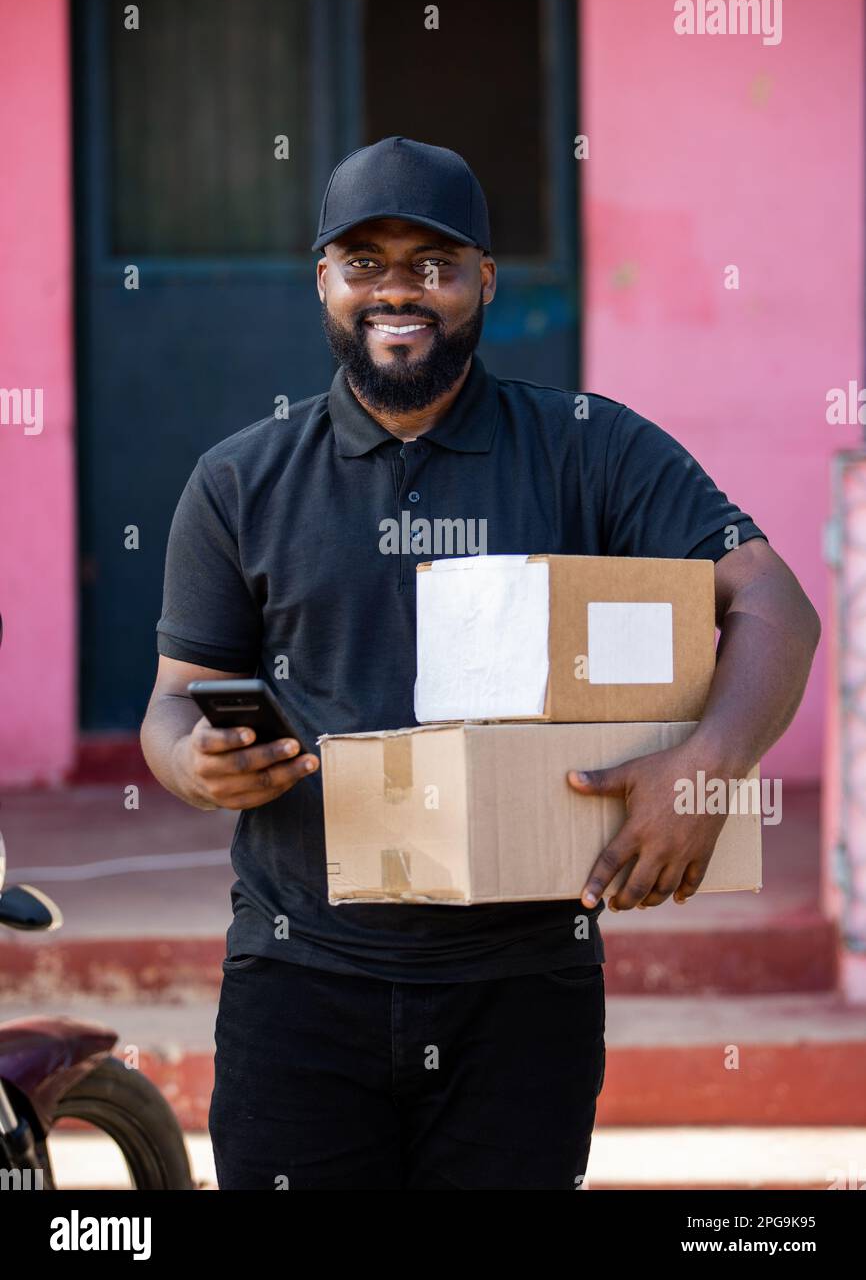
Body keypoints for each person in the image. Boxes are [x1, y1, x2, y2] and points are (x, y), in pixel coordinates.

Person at [140, 136, 820, 1190]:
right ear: (321, 280)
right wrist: (196, 763)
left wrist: (708, 761)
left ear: (483, 280)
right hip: (298, 978)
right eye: (363, 263)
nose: (396, 290)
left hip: (523, 989)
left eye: (433, 262)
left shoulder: (591, 449)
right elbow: (173, 705)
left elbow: (773, 600)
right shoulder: (238, 481)